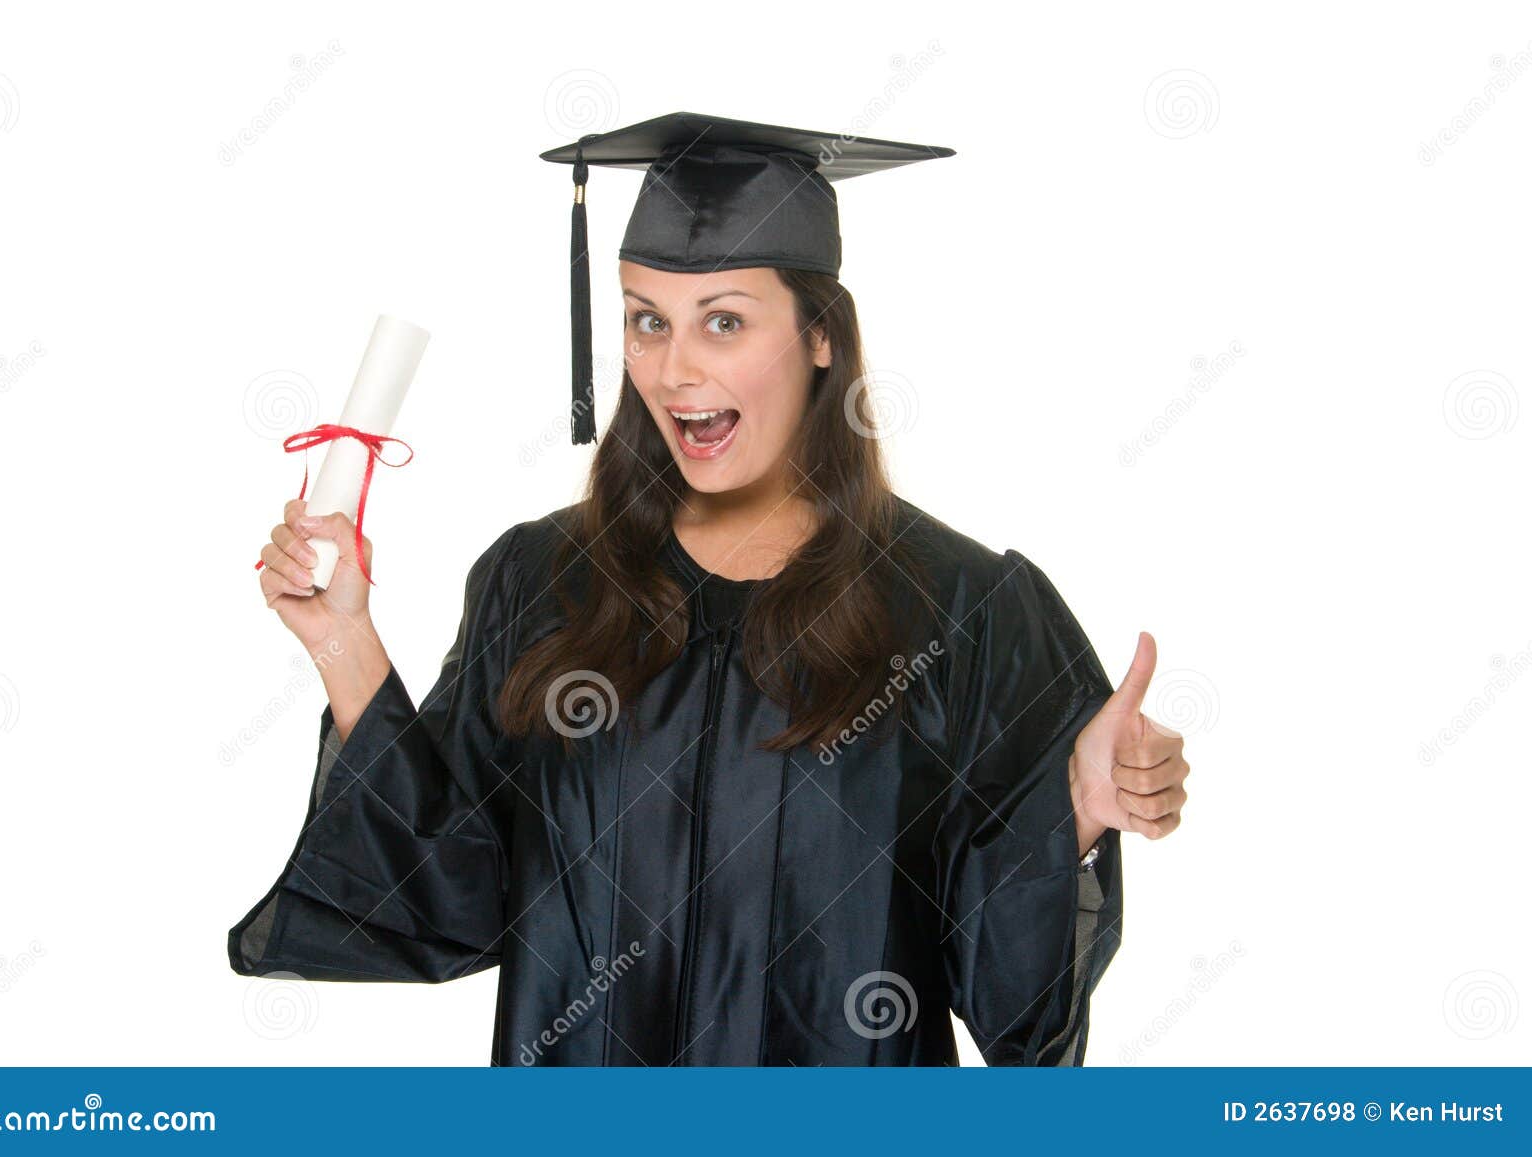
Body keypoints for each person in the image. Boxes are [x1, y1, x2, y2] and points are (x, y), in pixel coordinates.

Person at [231, 113, 1190, 1065]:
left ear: (821, 336)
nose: (675, 369)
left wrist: (1069, 813)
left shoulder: (966, 609)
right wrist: (342, 641)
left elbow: (1011, 1004)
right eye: (648, 319)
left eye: (723, 321)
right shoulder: (544, 582)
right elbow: (452, 901)